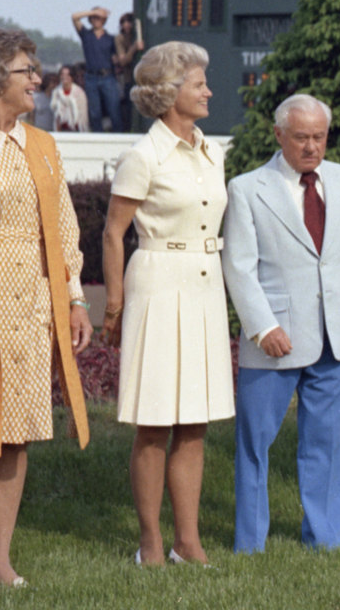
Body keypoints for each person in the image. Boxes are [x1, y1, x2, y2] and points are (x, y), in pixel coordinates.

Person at [222, 94, 340, 553]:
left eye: (319, 137)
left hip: (334, 337)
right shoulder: (247, 188)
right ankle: (250, 544)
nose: (312, 147)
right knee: (254, 447)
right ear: (279, 135)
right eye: (301, 138)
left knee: (326, 447)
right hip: (272, 339)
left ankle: (328, 540)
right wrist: (261, 327)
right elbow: (238, 267)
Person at [102, 41, 233, 566]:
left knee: (195, 421)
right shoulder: (143, 156)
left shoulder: (213, 150)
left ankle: (188, 540)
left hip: (204, 287)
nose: (208, 90)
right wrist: (114, 305)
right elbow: (113, 234)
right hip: (156, 285)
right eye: (198, 82)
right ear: (167, 92)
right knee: (154, 422)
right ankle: (150, 542)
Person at [0, 28, 93, 587]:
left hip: (29, 313)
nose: (37, 79)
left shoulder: (42, 145)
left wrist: (73, 300)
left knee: (12, 433)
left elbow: (65, 228)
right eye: (26, 70)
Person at [70, 7, 122, 132]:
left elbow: (117, 58)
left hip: (108, 77)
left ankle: (118, 137)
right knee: (94, 113)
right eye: (94, 17)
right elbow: (74, 17)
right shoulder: (86, 34)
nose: (96, 19)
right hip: (91, 77)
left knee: (114, 110)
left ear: (104, 19)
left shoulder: (110, 38)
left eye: (99, 17)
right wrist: (93, 12)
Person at [113, 13, 145, 133]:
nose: (126, 25)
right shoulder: (120, 38)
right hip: (128, 79)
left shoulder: (138, 34)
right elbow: (123, 61)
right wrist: (134, 48)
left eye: (128, 22)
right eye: (123, 22)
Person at [50, 65, 90, 133]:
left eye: (68, 74)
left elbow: (83, 116)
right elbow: (54, 110)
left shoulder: (79, 93)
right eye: (62, 74)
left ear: (72, 77)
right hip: (61, 130)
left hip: (77, 130)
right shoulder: (56, 92)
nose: (64, 77)